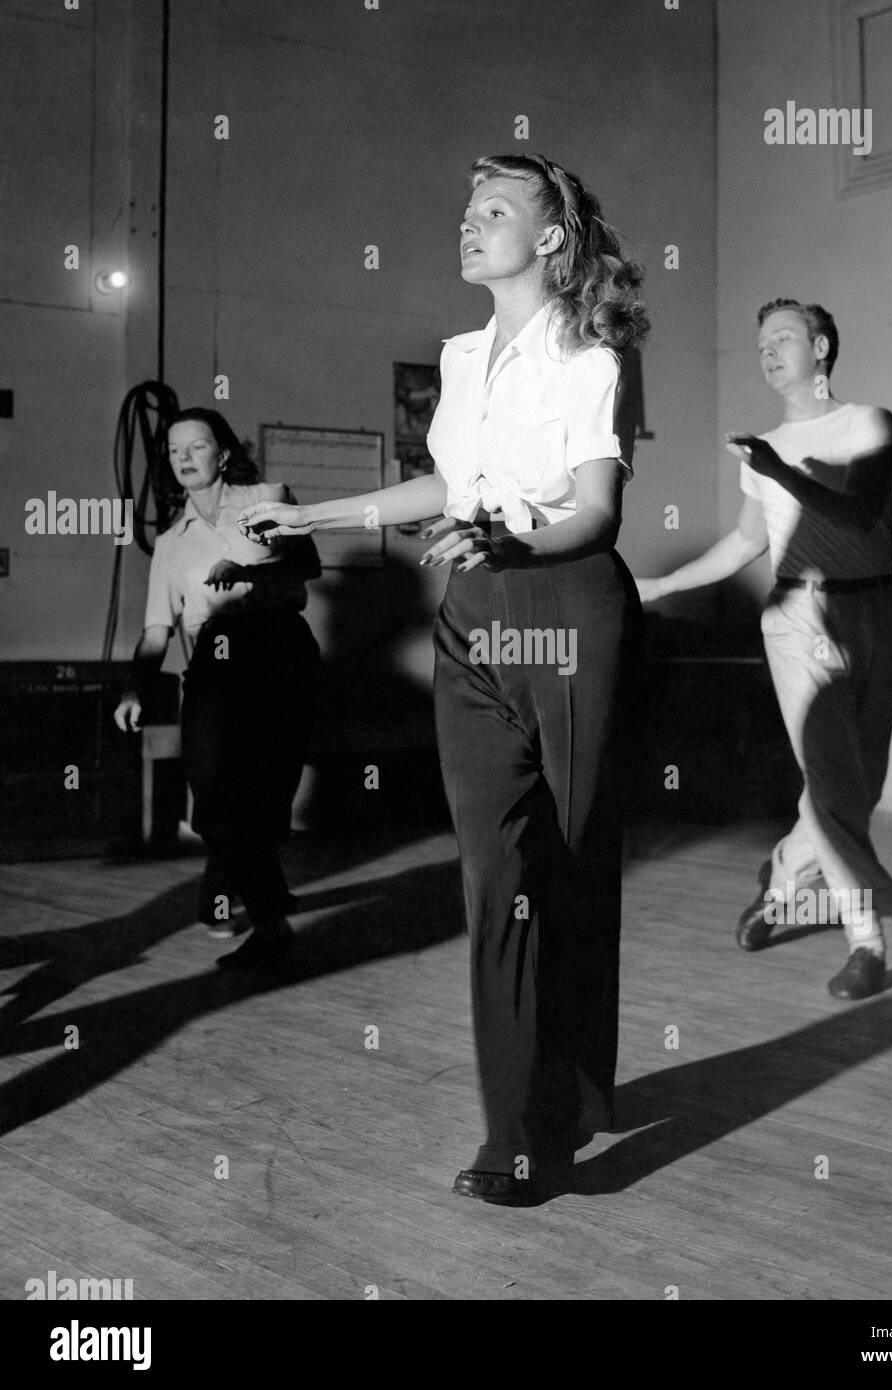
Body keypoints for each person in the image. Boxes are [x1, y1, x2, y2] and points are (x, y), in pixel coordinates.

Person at [238, 153, 648, 1204]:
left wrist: (505, 537)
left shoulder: (590, 352)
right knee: (496, 880)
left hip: (565, 615)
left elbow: (596, 512)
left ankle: (576, 1087)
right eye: (464, 212)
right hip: (472, 619)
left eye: (495, 211)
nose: (468, 227)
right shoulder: (460, 354)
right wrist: (311, 514)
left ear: (550, 237)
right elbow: (444, 483)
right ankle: (520, 1135)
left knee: (565, 866)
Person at [637, 299, 892, 1001]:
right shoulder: (759, 452)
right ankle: (866, 943)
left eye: (783, 336)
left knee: (856, 787)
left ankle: (783, 880)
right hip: (797, 617)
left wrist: (776, 467)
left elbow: (858, 513)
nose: (767, 349)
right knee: (831, 780)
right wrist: (662, 583)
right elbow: (746, 542)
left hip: (877, 609)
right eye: (760, 342)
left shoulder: (870, 423)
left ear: (821, 348)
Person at [114, 407, 321, 970]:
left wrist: (248, 571)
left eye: (197, 446)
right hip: (214, 663)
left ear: (223, 453)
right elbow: (158, 627)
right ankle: (253, 903)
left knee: (264, 797)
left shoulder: (267, 497)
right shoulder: (171, 541)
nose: (183, 457)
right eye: (175, 449)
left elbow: (307, 563)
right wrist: (134, 689)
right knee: (211, 792)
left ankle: (258, 916)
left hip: (278, 651)